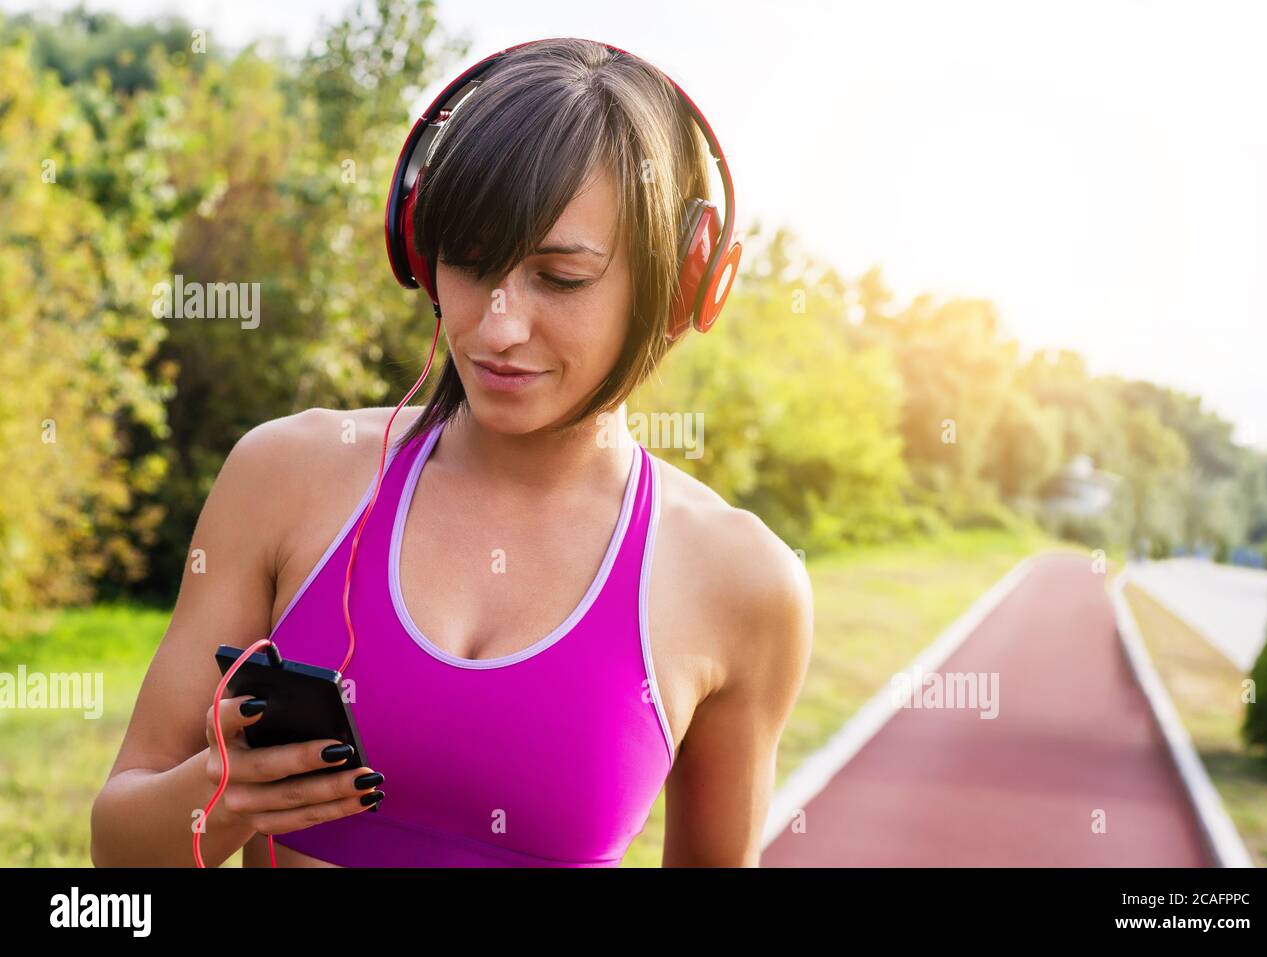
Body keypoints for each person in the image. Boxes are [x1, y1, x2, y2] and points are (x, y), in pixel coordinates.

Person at [90, 38, 813, 868]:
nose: (497, 326)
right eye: (469, 263)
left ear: (681, 285)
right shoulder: (283, 476)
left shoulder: (744, 582)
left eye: (560, 277)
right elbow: (119, 850)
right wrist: (219, 794)